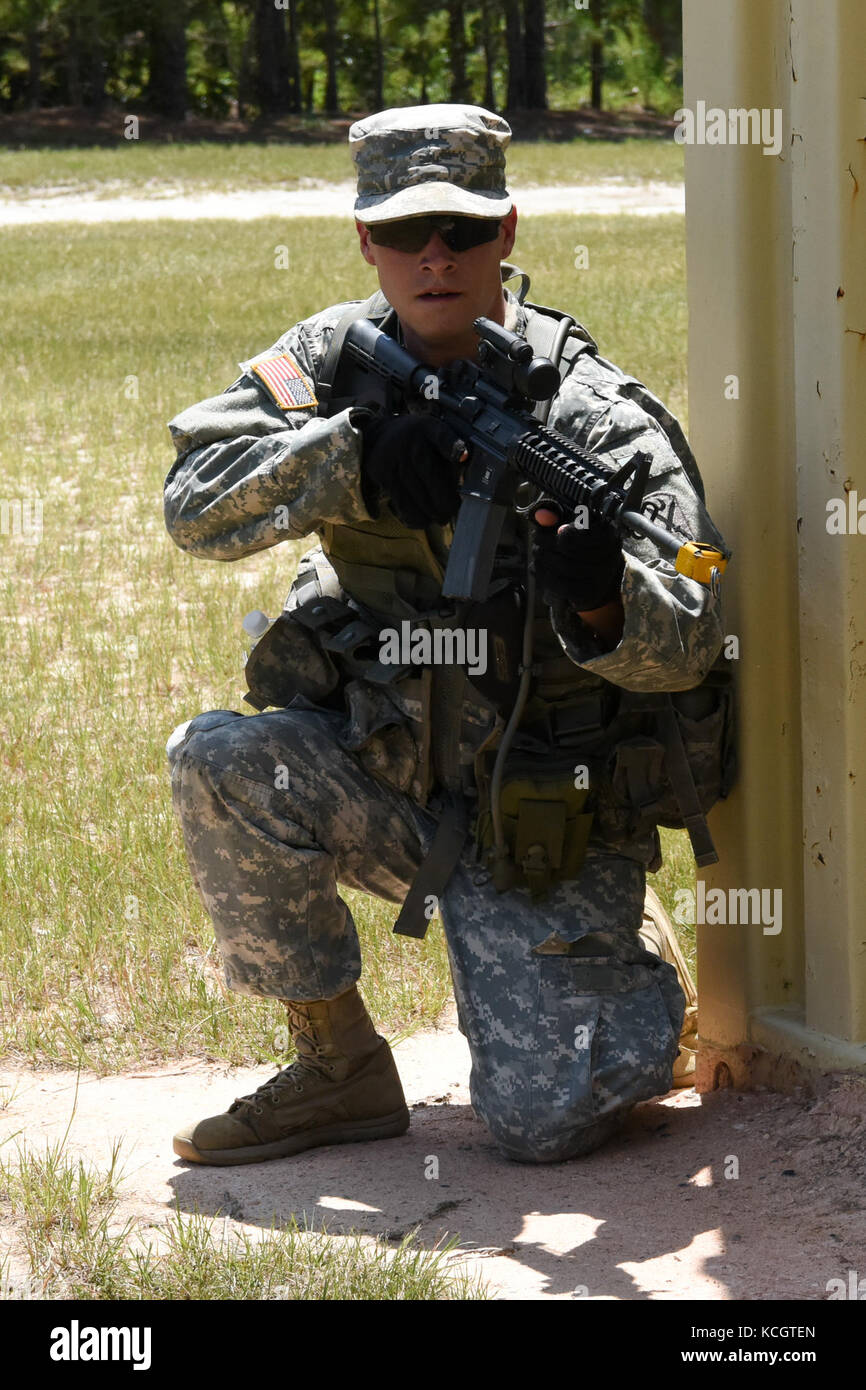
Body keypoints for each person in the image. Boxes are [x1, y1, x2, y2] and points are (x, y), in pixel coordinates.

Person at [163, 104, 727, 1168]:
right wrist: (349, 461)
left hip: (538, 819)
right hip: (382, 776)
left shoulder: (592, 419)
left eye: (463, 231)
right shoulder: (331, 367)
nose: (435, 256)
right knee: (220, 760)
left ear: (505, 234)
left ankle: (629, 962)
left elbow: (692, 641)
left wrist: (598, 598)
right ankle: (338, 1068)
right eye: (407, 230)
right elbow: (192, 502)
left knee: (539, 1126)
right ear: (364, 241)